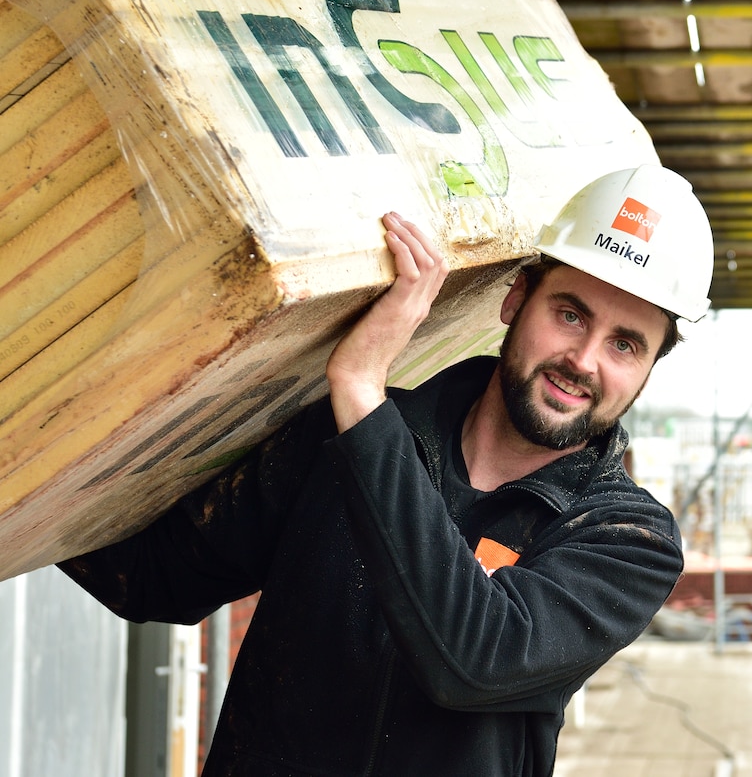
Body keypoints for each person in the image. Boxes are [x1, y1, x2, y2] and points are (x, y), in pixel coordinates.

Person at [59, 164, 715, 776]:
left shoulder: (625, 537)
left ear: (650, 365)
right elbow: (155, 577)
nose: (583, 358)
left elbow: (474, 658)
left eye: (625, 344)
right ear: (517, 297)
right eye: (570, 313)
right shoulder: (344, 434)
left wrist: (361, 391)